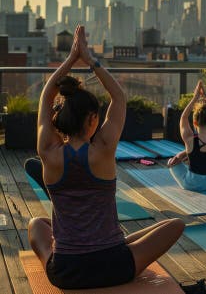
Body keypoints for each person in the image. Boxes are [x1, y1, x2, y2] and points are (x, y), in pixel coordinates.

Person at [27, 26, 184, 290]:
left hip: (65, 271)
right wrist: (91, 60)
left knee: (35, 224)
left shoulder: (48, 152)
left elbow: (46, 97)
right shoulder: (103, 149)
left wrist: (70, 59)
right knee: (176, 224)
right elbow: (119, 97)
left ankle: (83, 249)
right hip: (114, 266)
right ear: (91, 119)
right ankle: (114, 242)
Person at [167, 80, 206, 191]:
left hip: (193, 184)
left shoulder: (189, 138)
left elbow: (184, 117)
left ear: (194, 122)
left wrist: (195, 97)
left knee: (171, 163)